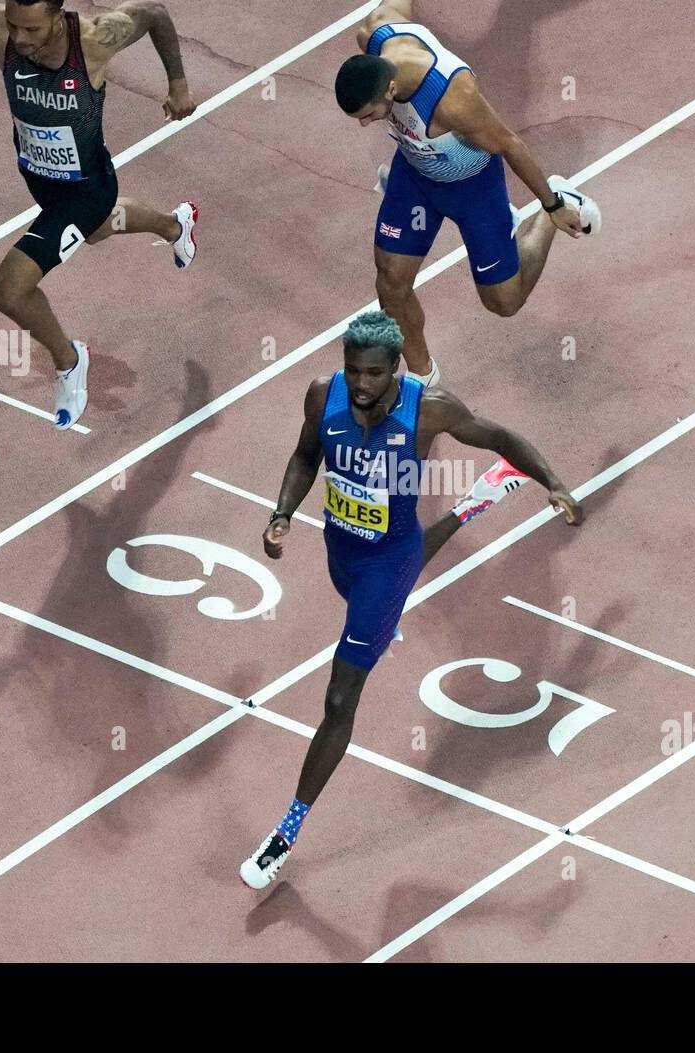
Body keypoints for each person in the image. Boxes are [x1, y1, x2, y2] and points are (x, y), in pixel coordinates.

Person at [241, 310, 583, 889]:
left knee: (339, 697)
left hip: (388, 557)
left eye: (374, 374)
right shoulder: (322, 394)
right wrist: (281, 516)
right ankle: (477, 501)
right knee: (371, 597)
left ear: (397, 369)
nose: (363, 385)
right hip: (342, 553)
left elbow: (497, 435)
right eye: (354, 371)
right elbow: (305, 456)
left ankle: (286, 832)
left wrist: (552, 480)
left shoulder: (430, 408)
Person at [0, 0, 200, 429]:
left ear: (57, 15)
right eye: (15, 27)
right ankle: (176, 224)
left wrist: (177, 84)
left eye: (32, 30)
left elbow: (156, 14)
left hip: (86, 190)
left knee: (8, 290)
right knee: (100, 231)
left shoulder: (94, 39)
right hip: (40, 179)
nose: (21, 39)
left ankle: (70, 360)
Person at [334, 0, 602, 386]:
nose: (364, 125)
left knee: (504, 302)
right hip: (416, 177)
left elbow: (510, 143)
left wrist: (552, 205)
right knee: (390, 280)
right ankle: (423, 377)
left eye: (369, 115)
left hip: (473, 187)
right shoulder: (375, 31)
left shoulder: (452, 98)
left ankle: (545, 219)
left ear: (391, 87)